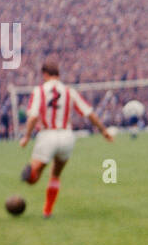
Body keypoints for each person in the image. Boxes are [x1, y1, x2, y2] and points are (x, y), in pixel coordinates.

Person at [18, 60, 114, 217]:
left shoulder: (40, 91)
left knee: (35, 177)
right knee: (55, 174)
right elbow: (89, 113)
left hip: (47, 135)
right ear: (59, 74)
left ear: (44, 74)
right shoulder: (69, 91)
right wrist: (104, 131)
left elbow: (33, 116)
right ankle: (47, 211)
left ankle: (31, 174)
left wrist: (26, 137)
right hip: (67, 136)